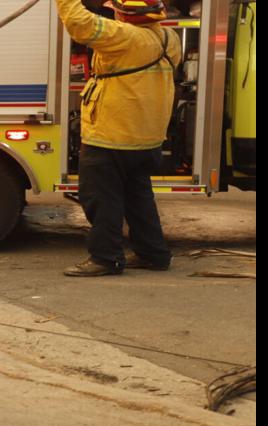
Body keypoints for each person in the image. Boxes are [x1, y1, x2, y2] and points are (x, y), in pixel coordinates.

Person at [57, 0, 182, 276]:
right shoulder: (168, 37)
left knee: (102, 200)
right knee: (138, 198)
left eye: (116, 9)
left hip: (112, 136)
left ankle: (105, 258)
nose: (113, 11)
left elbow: (80, 23)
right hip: (146, 137)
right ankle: (153, 254)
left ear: (126, 14)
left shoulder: (125, 37)